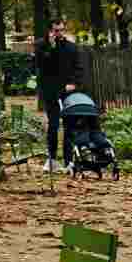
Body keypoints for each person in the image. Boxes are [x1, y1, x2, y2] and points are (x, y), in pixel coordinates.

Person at [35, 21, 80, 172]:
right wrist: (52, 47)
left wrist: (73, 83)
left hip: (67, 91)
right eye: (56, 30)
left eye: (61, 30)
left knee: (69, 126)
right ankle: (52, 159)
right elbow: (41, 65)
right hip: (51, 92)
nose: (59, 33)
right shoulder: (42, 46)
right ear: (50, 31)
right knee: (53, 126)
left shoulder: (71, 47)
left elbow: (78, 68)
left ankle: (68, 161)